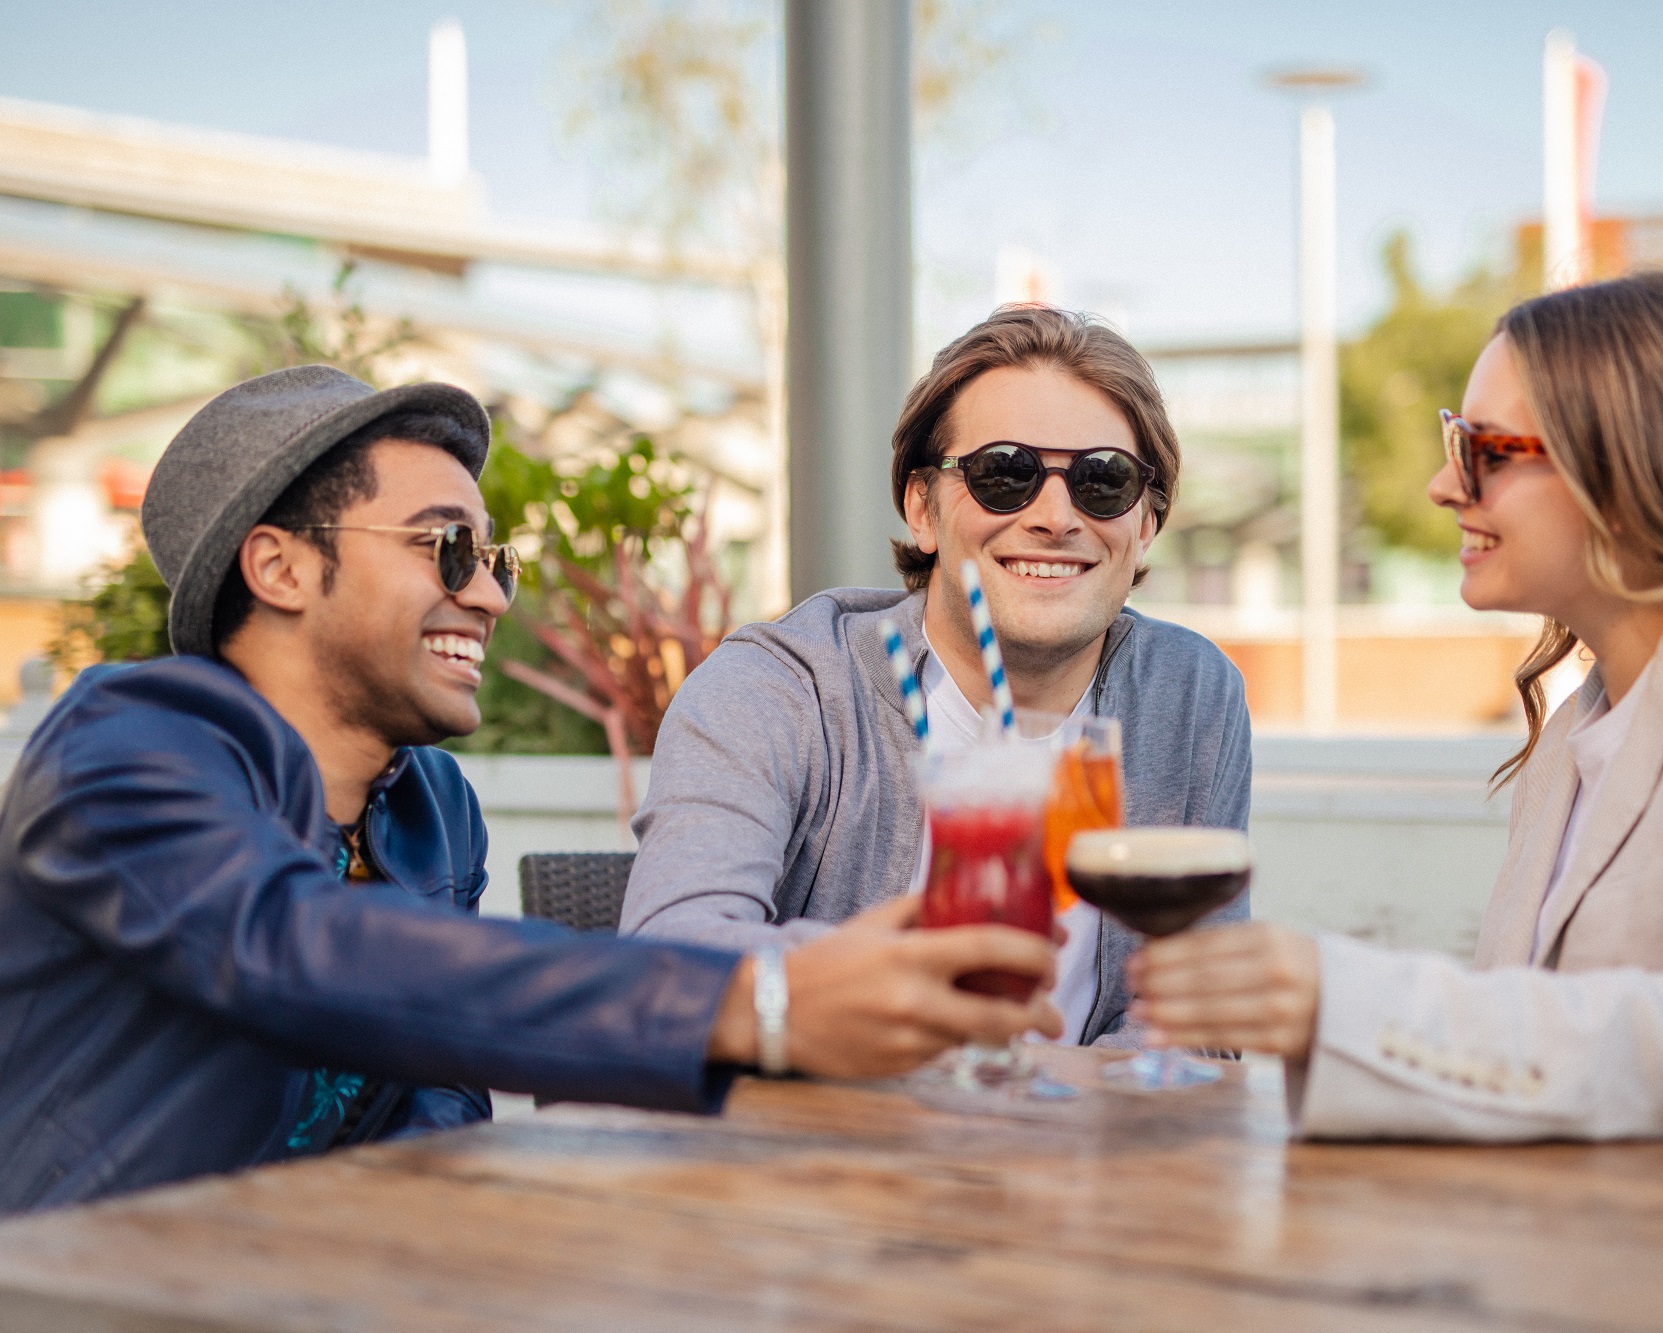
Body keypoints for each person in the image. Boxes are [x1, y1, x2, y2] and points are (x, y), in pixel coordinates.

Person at [0, 366, 1061, 1213]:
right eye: (446, 548)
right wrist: (759, 1002)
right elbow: (298, 946)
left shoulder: (430, 808)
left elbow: (438, 1092)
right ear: (279, 569)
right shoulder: (128, 748)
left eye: (493, 558)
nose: (489, 594)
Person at [1128, 272, 1663, 1138]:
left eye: (1484, 450)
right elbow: (1548, 1066)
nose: (1442, 485)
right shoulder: (1570, 732)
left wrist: (1342, 1001)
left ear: (1630, 472)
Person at [623, 306, 1253, 1046]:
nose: (1056, 516)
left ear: (1144, 525)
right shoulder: (782, 688)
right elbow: (669, 964)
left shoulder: (1192, 696)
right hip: (831, 1121)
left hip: (1084, 1121)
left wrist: (1054, 1099)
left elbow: (1202, 1005)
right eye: (1005, 473)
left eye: (1103, 480)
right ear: (922, 509)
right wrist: (858, 985)